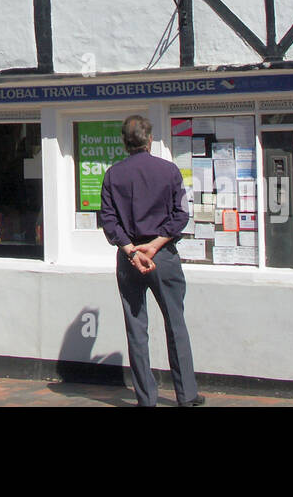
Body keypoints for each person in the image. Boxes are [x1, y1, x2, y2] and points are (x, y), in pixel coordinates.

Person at [99, 114, 203, 407]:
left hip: (128, 259)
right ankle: (187, 395)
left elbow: (108, 221)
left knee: (136, 328)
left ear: (124, 142)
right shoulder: (169, 171)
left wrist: (132, 250)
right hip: (164, 257)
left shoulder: (113, 175)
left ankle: (146, 399)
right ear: (150, 140)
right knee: (176, 323)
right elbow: (181, 215)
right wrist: (155, 246)